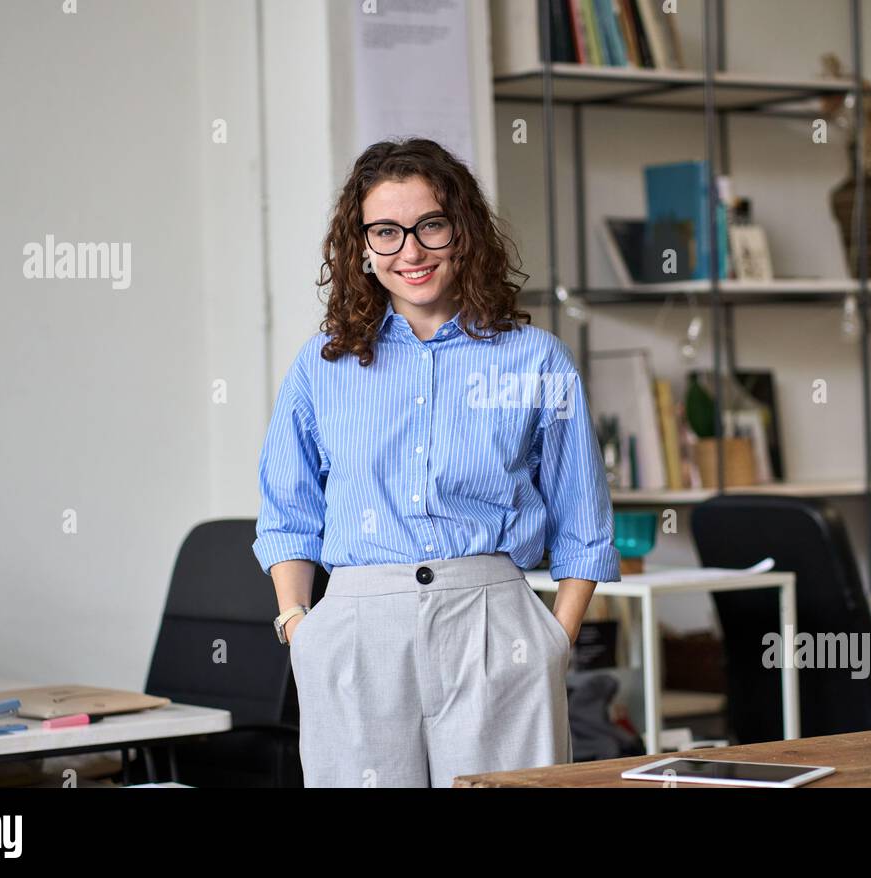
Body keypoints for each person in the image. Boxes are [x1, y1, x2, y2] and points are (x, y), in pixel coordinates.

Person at [252, 137, 620, 788]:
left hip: (494, 624)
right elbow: (288, 510)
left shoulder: (537, 359)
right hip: (356, 631)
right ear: (362, 246)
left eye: (430, 225)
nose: (410, 251)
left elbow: (581, 520)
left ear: (463, 231)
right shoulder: (321, 367)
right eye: (386, 232)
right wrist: (298, 626)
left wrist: (554, 644)